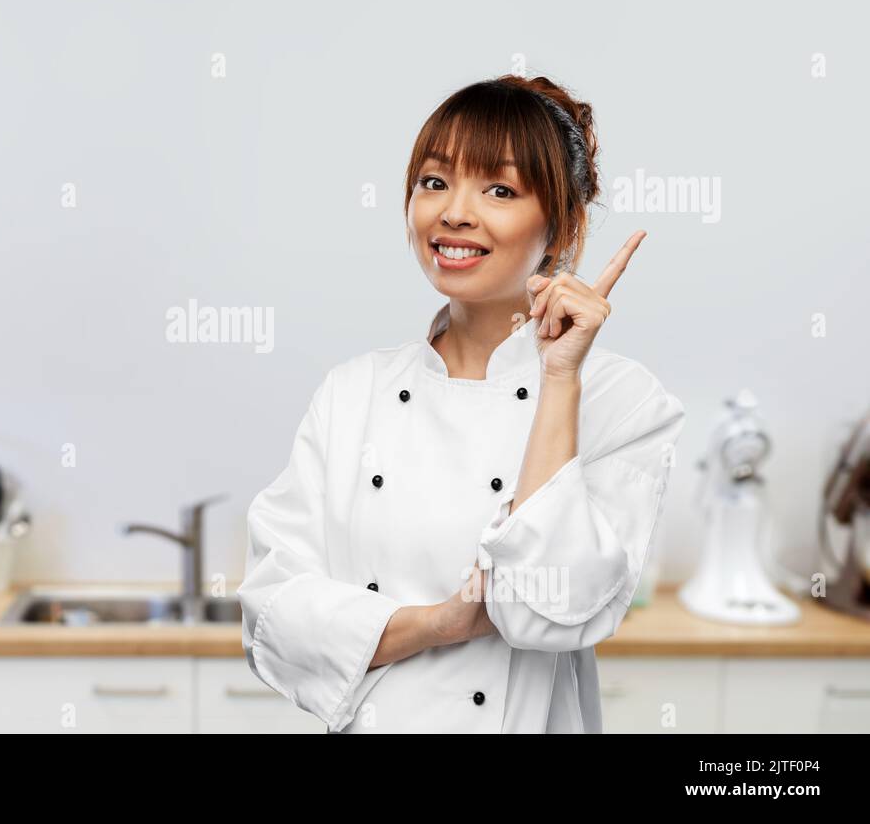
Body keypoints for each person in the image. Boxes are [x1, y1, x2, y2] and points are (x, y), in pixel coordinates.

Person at [237, 75, 687, 733]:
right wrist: (436, 624)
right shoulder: (352, 391)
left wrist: (559, 376)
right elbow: (272, 615)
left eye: (499, 190)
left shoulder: (622, 399)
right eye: (434, 181)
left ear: (560, 224)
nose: (454, 212)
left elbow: (546, 610)